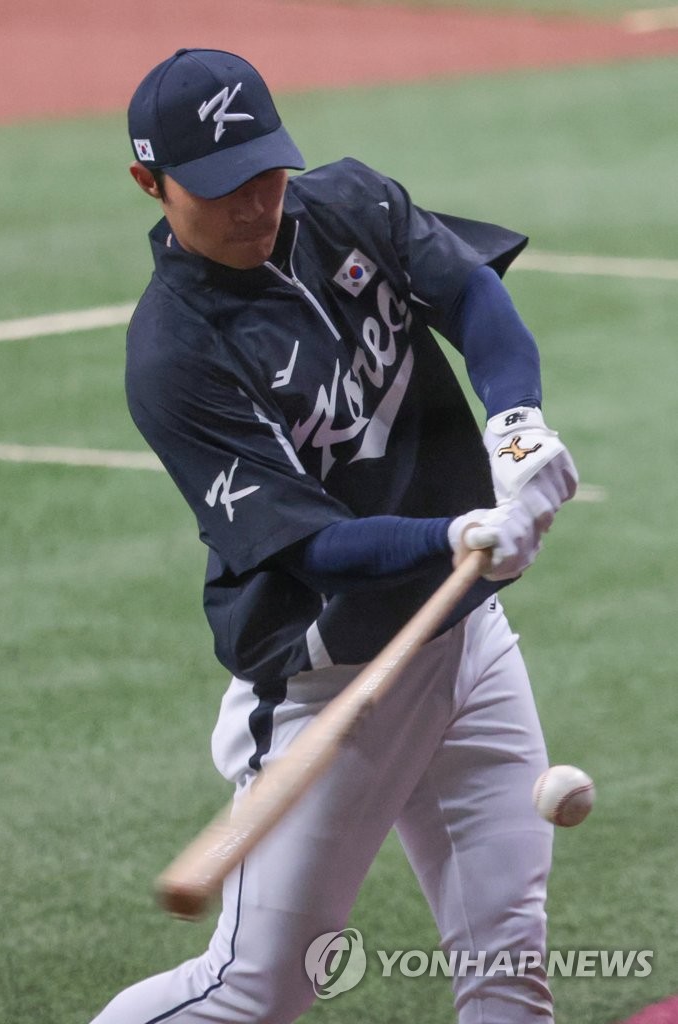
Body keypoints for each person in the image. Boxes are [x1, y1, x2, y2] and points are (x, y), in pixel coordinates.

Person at [90, 47, 578, 1024]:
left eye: (267, 169)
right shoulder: (175, 353)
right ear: (151, 182)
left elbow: (473, 297)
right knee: (255, 991)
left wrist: (516, 421)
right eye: (222, 186)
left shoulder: (350, 202)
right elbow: (309, 545)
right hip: (329, 684)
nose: (256, 203)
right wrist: (454, 532)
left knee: (510, 971)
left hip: (465, 643)